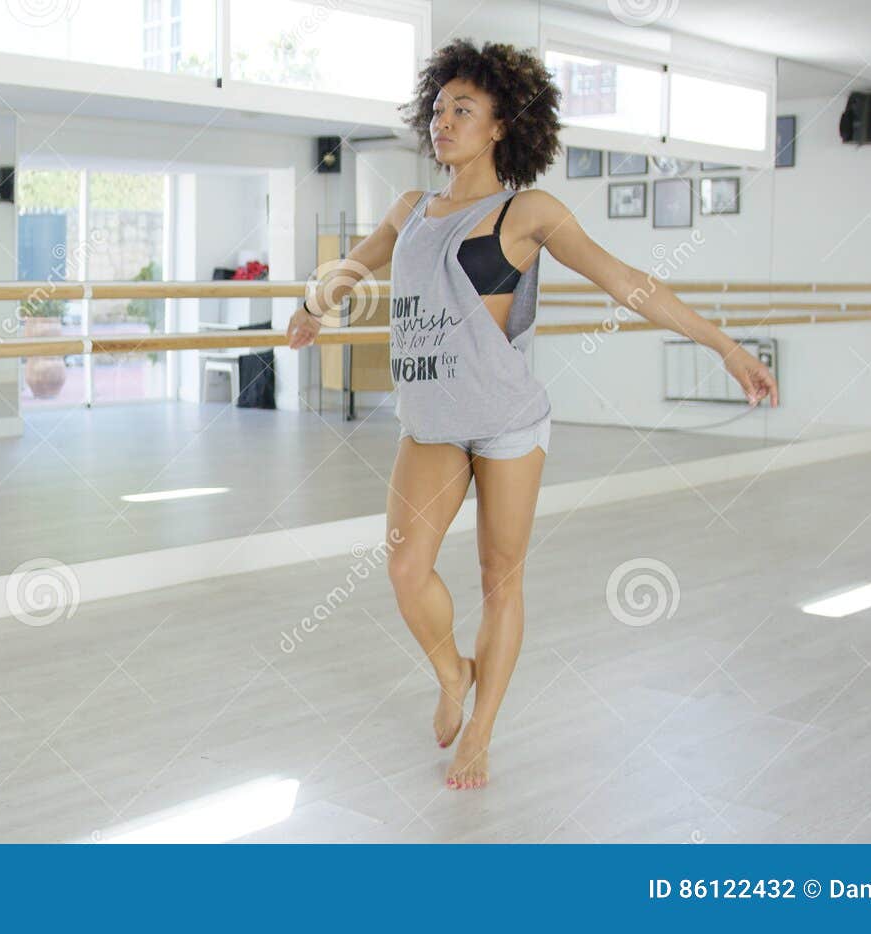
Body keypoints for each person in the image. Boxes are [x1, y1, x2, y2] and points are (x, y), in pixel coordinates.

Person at [286, 39, 779, 791]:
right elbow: (359, 260)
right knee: (405, 564)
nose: (444, 120)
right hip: (431, 418)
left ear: (500, 126)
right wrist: (313, 307)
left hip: (508, 419)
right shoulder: (412, 209)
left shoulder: (528, 210)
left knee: (499, 579)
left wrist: (723, 346)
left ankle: (479, 733)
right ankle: (453, 671)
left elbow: (628, 283)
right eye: (440, 106)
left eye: (464, 109)